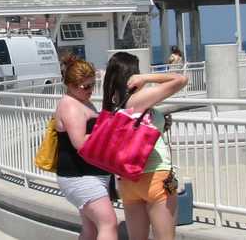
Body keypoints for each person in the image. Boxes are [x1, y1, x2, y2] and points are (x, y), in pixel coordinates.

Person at [103, 52, 188, 240]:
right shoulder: (136, 99)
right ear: (132, 73)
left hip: (127, 180)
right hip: (155, 175)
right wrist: (146, 78)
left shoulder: (113, 104)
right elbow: (180, 79)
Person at [54, 56, 117, 240]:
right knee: (108, 223)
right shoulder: (70, 106)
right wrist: (108, 129)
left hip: (90, 175)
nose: (91, 90)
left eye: (93, 85)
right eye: (86, 86)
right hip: (79, 176)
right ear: (71, 85)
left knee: (91, 229)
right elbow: (79, 142)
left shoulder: (81, 101)